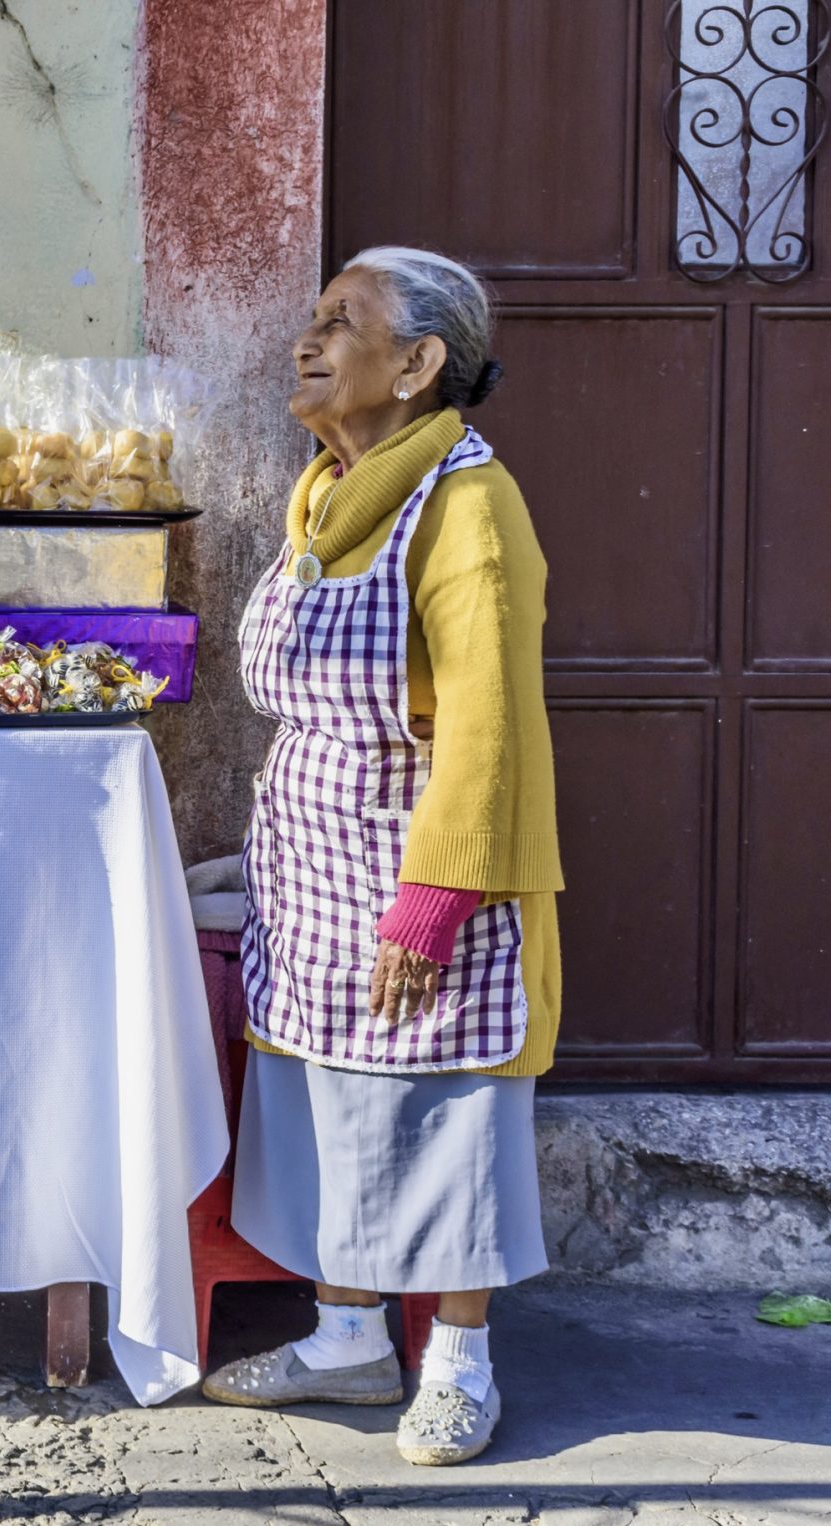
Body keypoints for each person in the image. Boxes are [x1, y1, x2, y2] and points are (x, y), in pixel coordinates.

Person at [203, 247, 563, 1467]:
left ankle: (460, 1360)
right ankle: (348, 1338)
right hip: (312, 860)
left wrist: (435, 898)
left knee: (443, 1104)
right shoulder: (325, 491)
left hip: (418, 866)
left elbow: (491, 717)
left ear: (417, 366)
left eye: (340, 324)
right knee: (322, 1097)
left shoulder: (467, 501)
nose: (307, 342)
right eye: (311, 320)